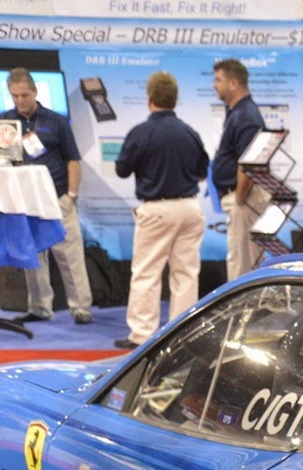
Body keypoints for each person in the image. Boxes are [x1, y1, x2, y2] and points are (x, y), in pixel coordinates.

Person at [113, 71, 209, 351]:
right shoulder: (190, 132)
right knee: (186, 272)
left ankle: (142, 335)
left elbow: (122, 170)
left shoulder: (141, 133)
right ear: (175, 99)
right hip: (190, 207)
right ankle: (182, 333)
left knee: (146, 272)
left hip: (156, 209)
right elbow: (202, 172)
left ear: (150, 98)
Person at [0, 69, 94, 324]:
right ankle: (39, 307)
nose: (19, 101)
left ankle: (81, 308)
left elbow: (73, 160)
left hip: (57, 197)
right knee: (32, 256)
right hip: (24, 201)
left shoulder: (56, 122)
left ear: (35, 92)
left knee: (70, 256)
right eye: (15, 96)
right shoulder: (5, 123)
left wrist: (71, 196)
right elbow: (0, 163)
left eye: (24, 95)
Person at [210, 59, 265, 281]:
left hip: (244, 197)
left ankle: (243, 313)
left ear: (233, 83)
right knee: (242, 258)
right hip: (240, 196)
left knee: (241, 262)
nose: (214, 85)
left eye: (218, 80)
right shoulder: (238, 113)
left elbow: (250, 163)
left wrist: (240, 197)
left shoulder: (246, 116)